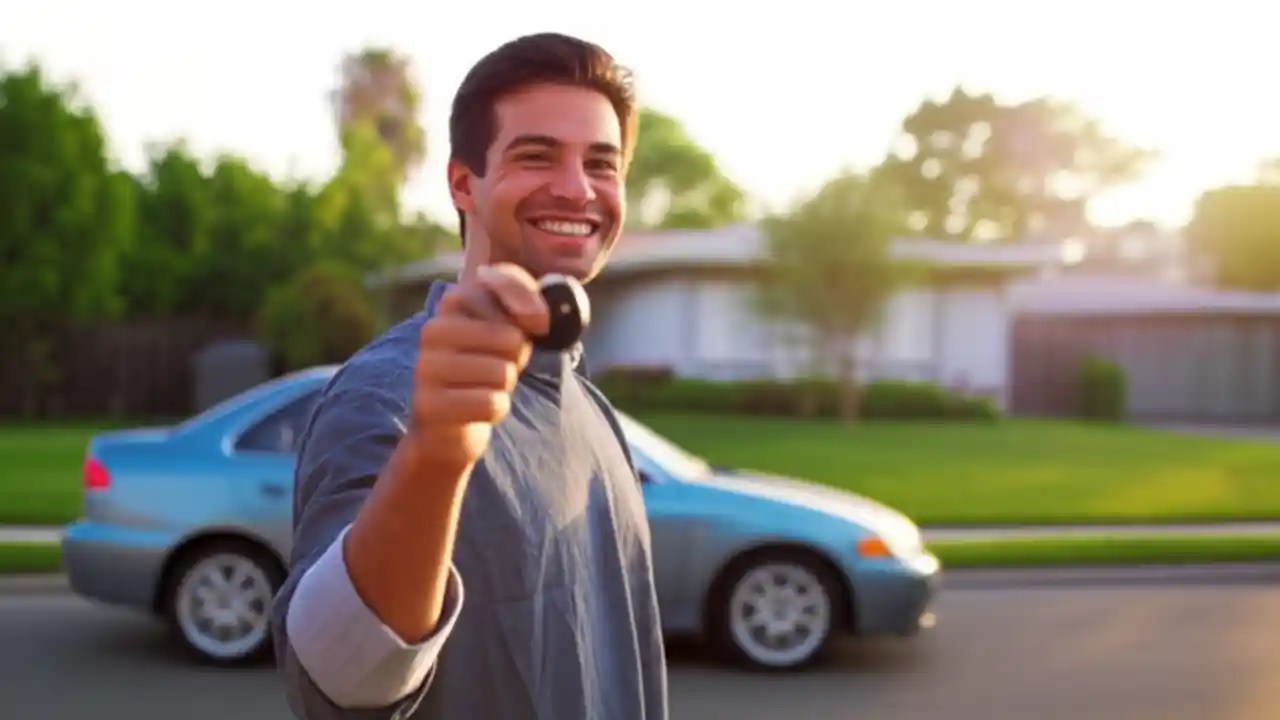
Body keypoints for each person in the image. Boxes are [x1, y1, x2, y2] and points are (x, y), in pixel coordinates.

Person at [270, 32, 668, 720]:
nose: (577, 188)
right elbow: (336, 678)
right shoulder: (388, 397)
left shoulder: (588, 405)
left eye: (602, 165)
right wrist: (435, 452)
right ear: (464, 183)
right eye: (536, 155)